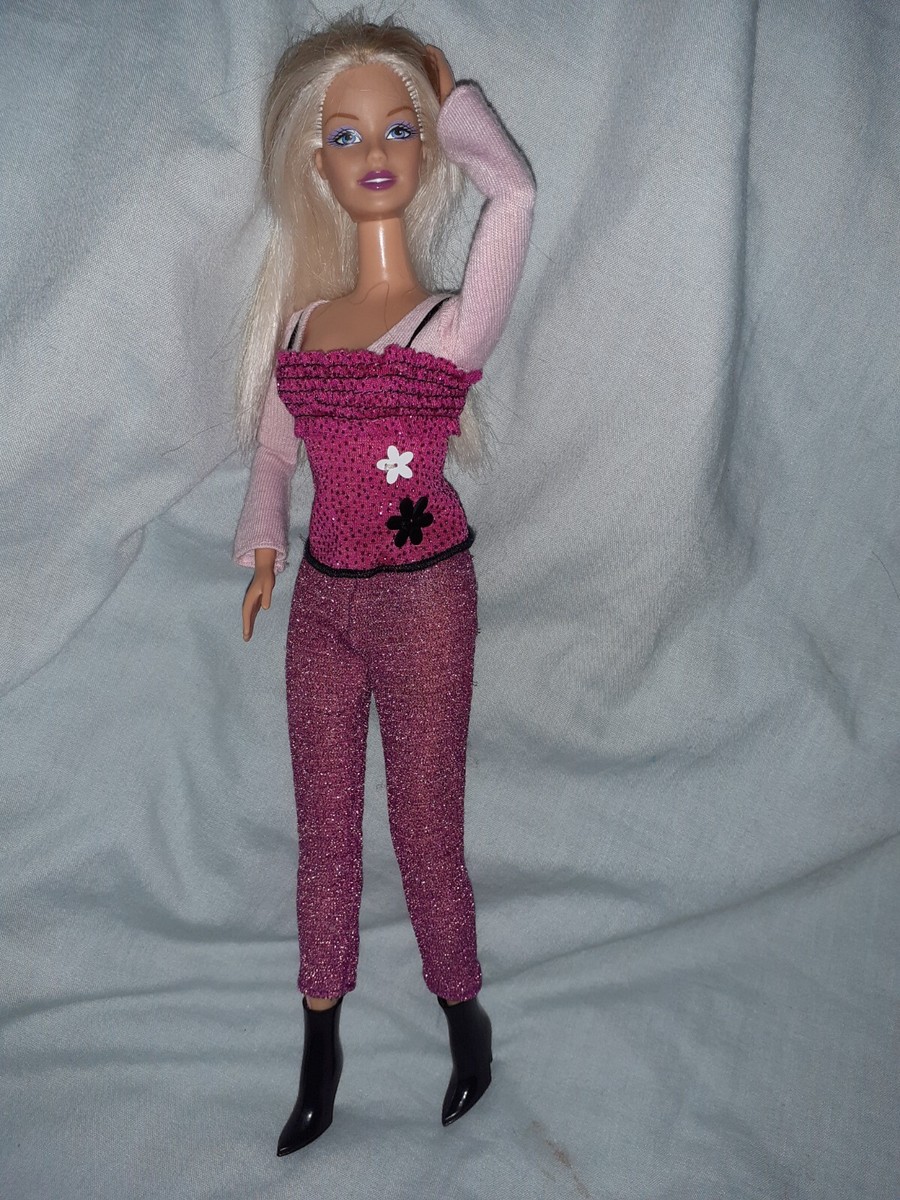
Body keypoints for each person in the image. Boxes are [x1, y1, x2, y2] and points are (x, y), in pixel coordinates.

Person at [233, 13, 534, 1155]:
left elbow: (516, 198)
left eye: (400, 129)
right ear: (316, 158)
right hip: (322, 601)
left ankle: (464, 1016)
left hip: (422, 601)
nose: (375, 152)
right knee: (323, 832)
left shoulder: (448, 328)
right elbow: (275, 452)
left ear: (427, 151)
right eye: (348, 133)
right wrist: (265, 546)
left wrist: (456, 104)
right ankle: (320, 1053)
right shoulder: (306, 324)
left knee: (424, 826)